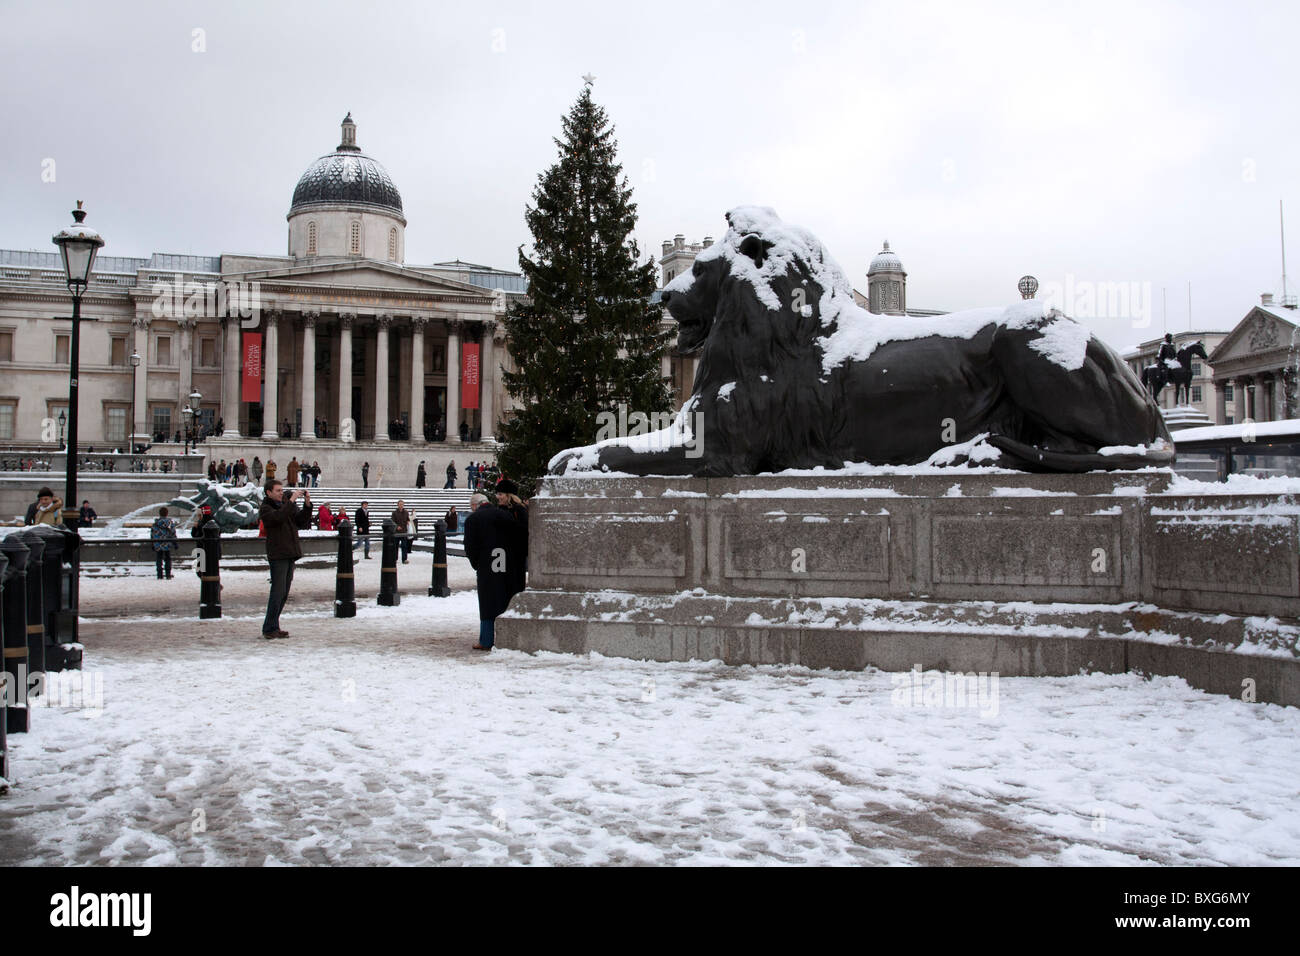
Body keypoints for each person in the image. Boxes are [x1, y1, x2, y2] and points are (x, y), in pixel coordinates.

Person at [463, 492, 524, 651]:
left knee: (487, 602)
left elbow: (470, 547)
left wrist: (477, 563)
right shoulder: (504, 515)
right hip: (507, 564)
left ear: (475, 505)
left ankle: (486, 639)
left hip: (487, 566)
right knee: (505, 599)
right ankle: (510, 638)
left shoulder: (473, 519)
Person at [258, 479, 311, 639]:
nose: (281, 493)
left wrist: (307, 505)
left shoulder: (285, 505)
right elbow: (278, 518)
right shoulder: (266, 508)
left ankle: (274, 625)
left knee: (284, 593)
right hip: (278, 553)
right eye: (278, 490)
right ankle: (269, 627)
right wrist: (292, 500)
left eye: (282, 490)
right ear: (269, 492)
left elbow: (300, 521)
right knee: (277, 591)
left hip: (289, 552)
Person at [494, 478, 530, 598]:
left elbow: (525, 532)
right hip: (500, 555)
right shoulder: (499, 509)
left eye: (500, 494)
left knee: (515, 588)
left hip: (515, 556)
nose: (497, 497)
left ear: (508, 495)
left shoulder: (519, 509)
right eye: (497, 494)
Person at [190, 504, 221, 577]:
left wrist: (196, 527)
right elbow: (194, 535)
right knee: (206, 571)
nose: (197, 515)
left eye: (199, 513)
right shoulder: (209, 521)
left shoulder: (206, 522)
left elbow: (197, 536)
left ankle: (215, 586)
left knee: (204, 571)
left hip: (206, 550)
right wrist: (195, 527)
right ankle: (215, 586)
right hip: (206, 550)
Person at [150, 507, 179, 579]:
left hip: (158, 544)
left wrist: (153, 544)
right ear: (167, 513)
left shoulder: (156, 523)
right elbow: (173, 534)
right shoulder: (170, 523)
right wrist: (175, 543)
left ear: (159, 514)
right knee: (168, 558)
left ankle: (159, 575)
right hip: (167, 543)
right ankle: (168, 574)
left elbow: (152, 534)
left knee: (159, 558)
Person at [391, 499, 412, 563]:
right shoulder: (394, 513)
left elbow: (408, 519)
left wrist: (408, 522)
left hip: (404, 532)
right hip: (397, 532)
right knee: (395, 546)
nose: (401, 506)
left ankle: (404, 559)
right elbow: (392, 521)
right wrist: (397, 526)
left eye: (402, 504)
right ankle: (394, 559)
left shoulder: (406, 512)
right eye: (400, 504)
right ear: (398, 505)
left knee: (404, 546)